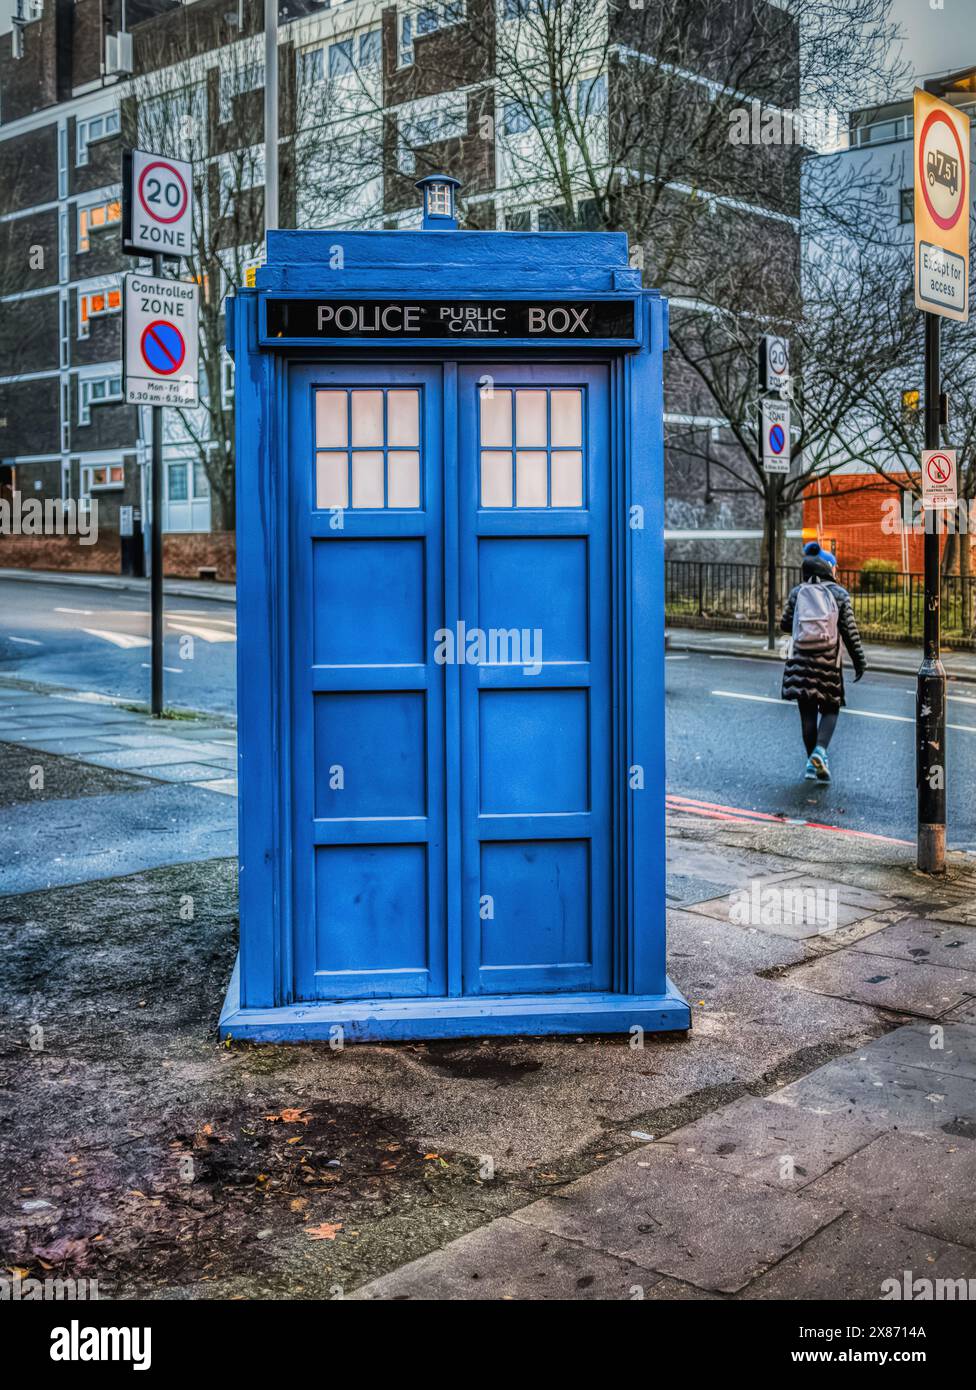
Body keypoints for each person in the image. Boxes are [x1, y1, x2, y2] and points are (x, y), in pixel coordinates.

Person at [780, 541, 866, 782]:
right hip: (827, 663)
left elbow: (785, 625)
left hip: (799, 661)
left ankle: (812, 765)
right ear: (829, 568)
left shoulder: (797, 592)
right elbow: (849, 632)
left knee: (807, 714)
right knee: (830, 708)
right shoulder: (839, 594)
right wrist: (859, 661)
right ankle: (819, 752)